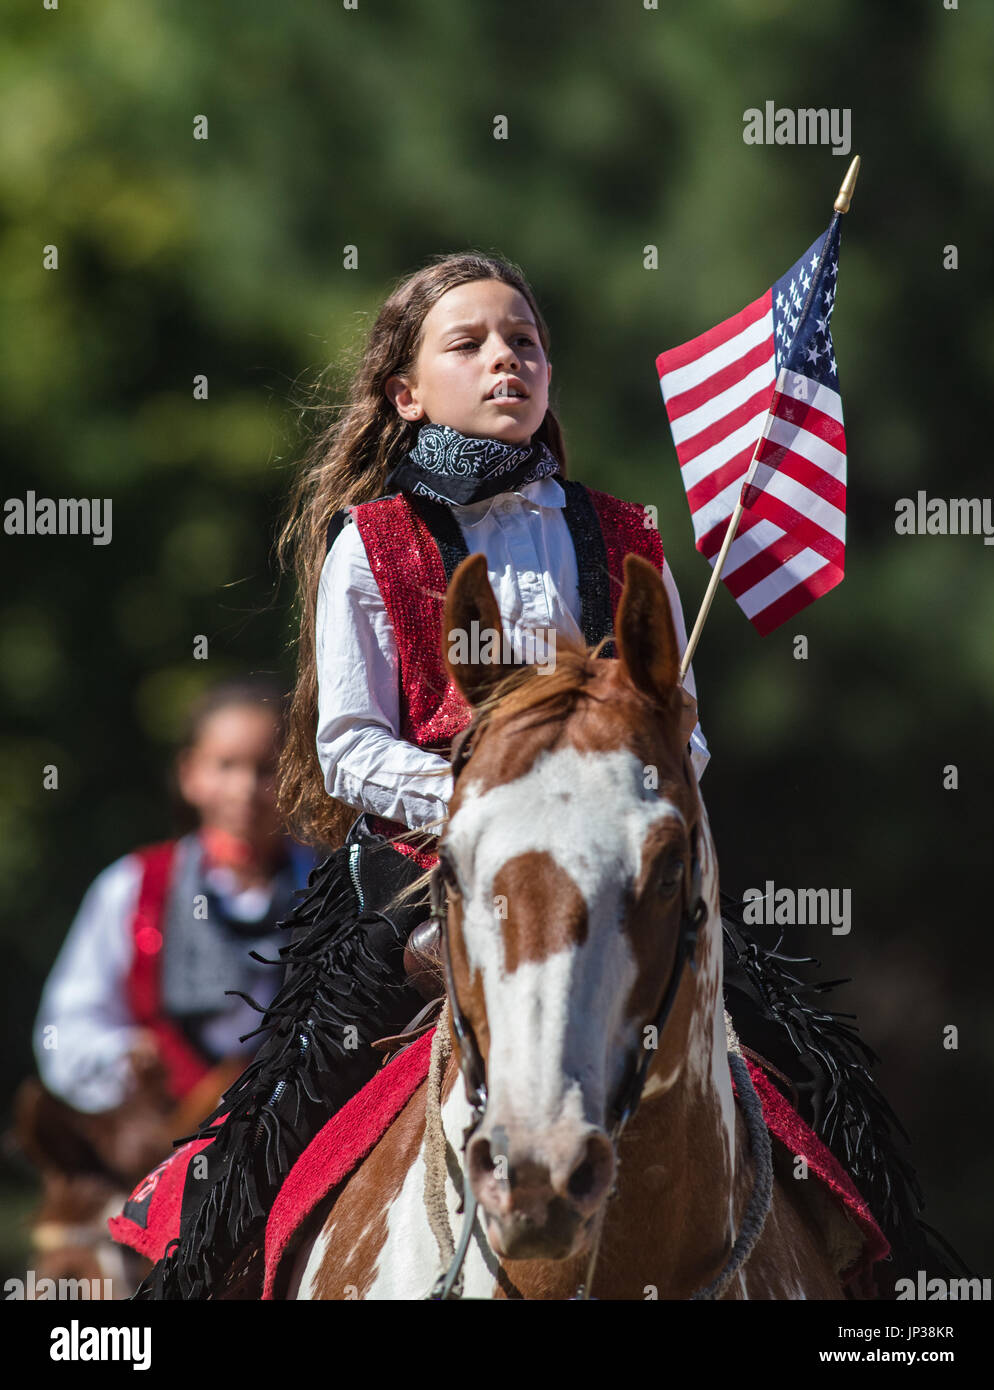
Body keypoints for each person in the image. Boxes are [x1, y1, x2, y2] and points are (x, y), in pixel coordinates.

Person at [143, 251, 930, 1300]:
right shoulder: (370, 545)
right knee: (270, 1132)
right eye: (467, 344)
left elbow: (677, 735)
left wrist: (630, 790)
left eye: (523, 342)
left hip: (616, 878)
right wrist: (490, 812)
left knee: (827, 1095)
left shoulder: (619, 532)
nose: (504, 359)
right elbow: (350, 744)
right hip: (422, 884)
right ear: (406, 391)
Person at [32, 676, 316, 1125]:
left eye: (266, 768)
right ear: (190, 775)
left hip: (297, 1126)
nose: (244, 788)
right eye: (225, 765)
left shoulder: (326, 884)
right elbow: (67, 1028)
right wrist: (126, 1057)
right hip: (163, 1143)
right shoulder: (134, 886)